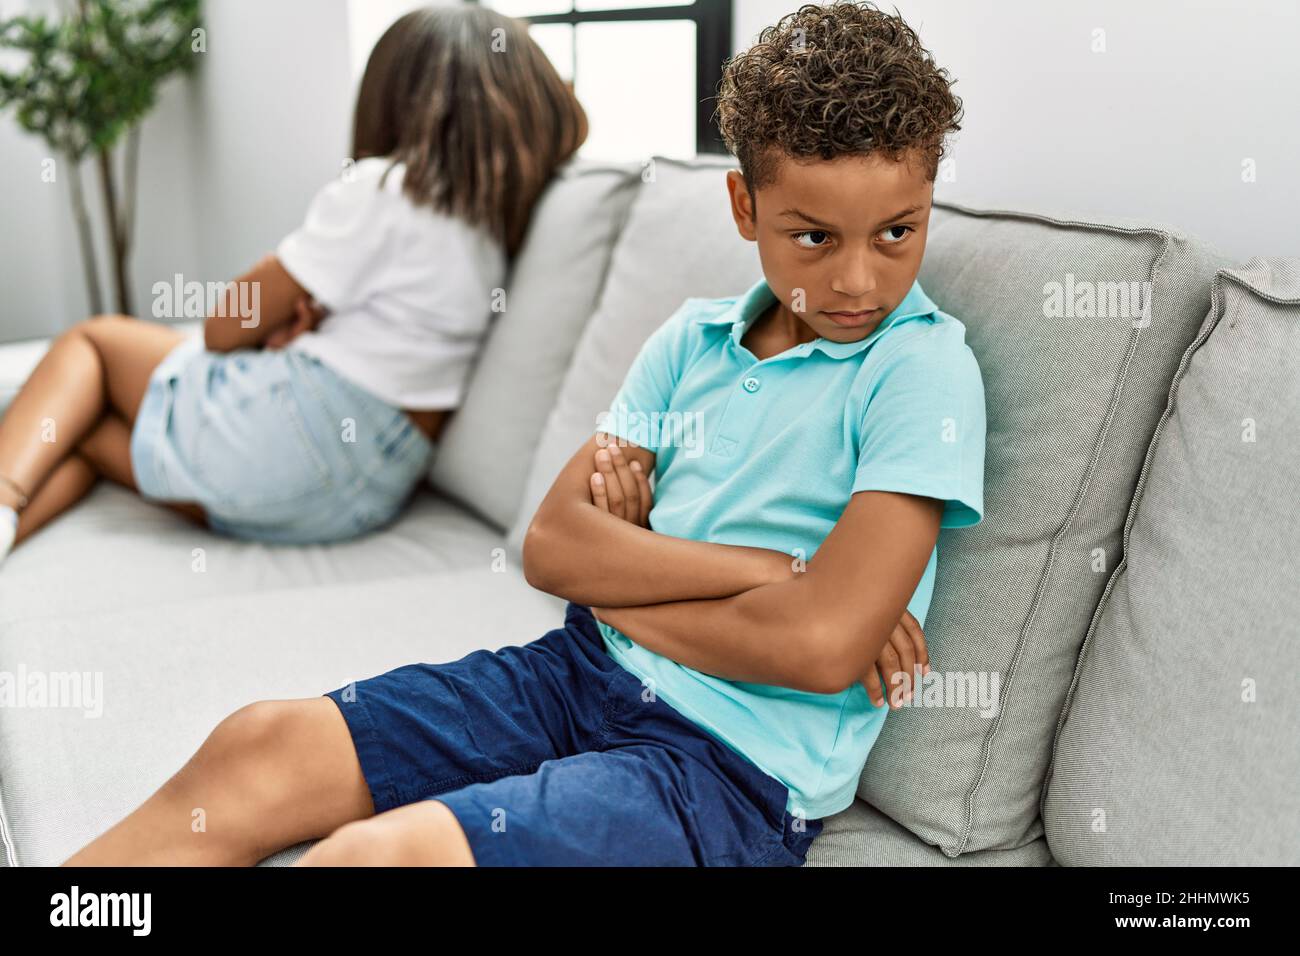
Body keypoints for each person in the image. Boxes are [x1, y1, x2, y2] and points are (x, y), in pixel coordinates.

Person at [65, 1, 984, 867]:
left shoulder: (921, 370)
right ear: (745, 208)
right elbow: (552, 548)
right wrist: (778, 572)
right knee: (258, 744)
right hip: (577, 671)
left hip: (725, 772)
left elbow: (824, 647)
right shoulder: (693, 337)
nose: (860, 282)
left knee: (373, 858)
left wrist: (639, 575)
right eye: (815, 239)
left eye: (898, 232)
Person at [0, 4, 587, 558]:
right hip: (359, 496)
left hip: (292, 441)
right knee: (82, 433)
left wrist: (280, 311)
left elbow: (225, 329)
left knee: (94, 341)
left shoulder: (387, 188)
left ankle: (3, 498)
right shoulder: (496, 224)